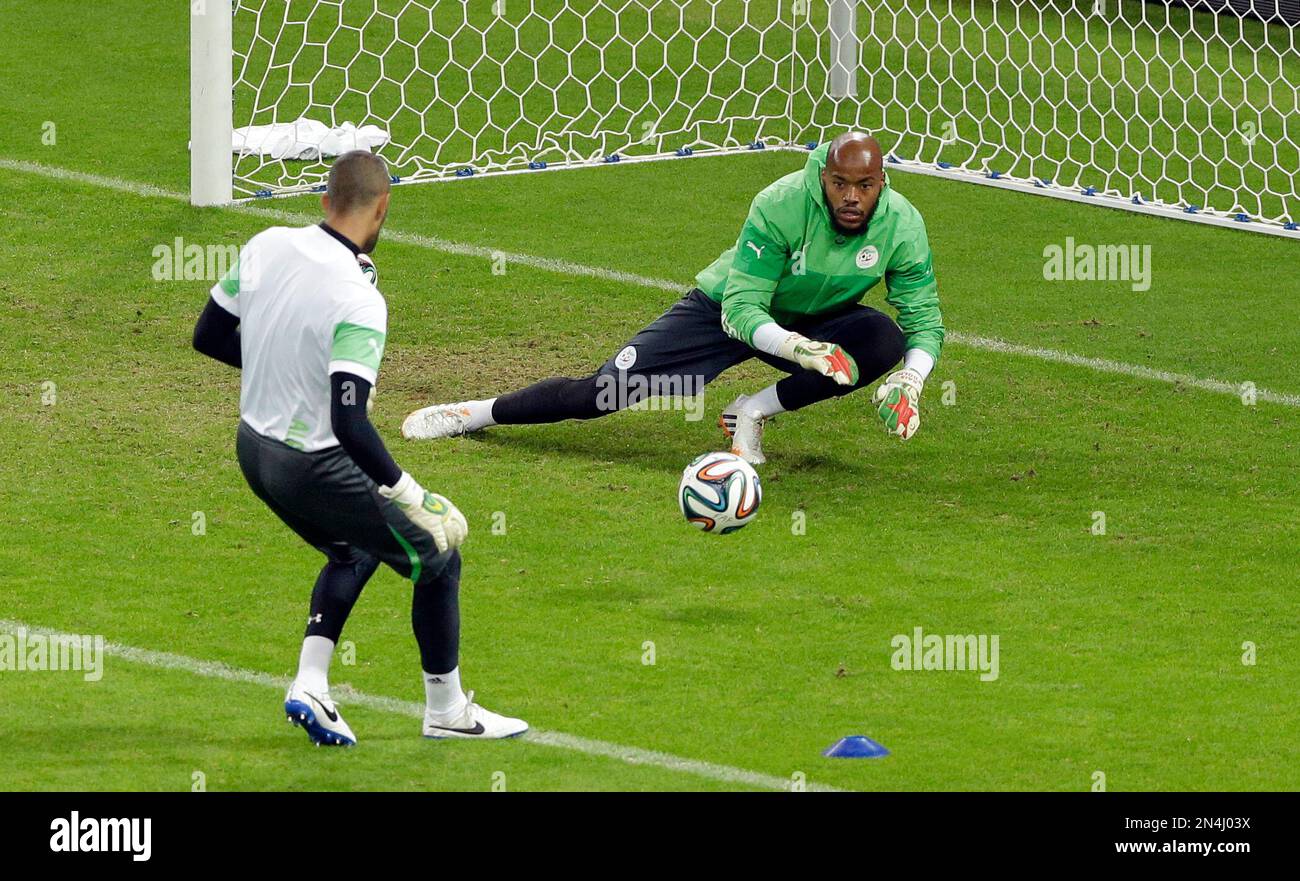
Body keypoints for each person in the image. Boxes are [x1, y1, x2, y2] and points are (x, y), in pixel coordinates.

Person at [192, 150, 527, 746]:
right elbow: (349, 421)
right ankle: (447, 712)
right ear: (382, 209)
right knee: (438, 556)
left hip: (254, 450)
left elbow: (209, 336)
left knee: (353, 548)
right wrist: (413, 493)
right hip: (313, 465)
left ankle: (312, 683)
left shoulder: (265, 244)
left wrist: (285, 372)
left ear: (324, 201)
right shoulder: (360, 301)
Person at [401, 131, 944, 464]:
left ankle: (750, 414)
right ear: (822, 177)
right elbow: (741, 308)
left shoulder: (902, 225)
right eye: (839, 183)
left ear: (883, 182)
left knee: (882, 341)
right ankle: (474, 414)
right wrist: (800, 349)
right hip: (724, 314)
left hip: (821, 320)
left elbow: (924, 317)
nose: (852, 197)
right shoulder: (780, 204)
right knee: (601, 396)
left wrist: (911, 380)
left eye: (866, 185)